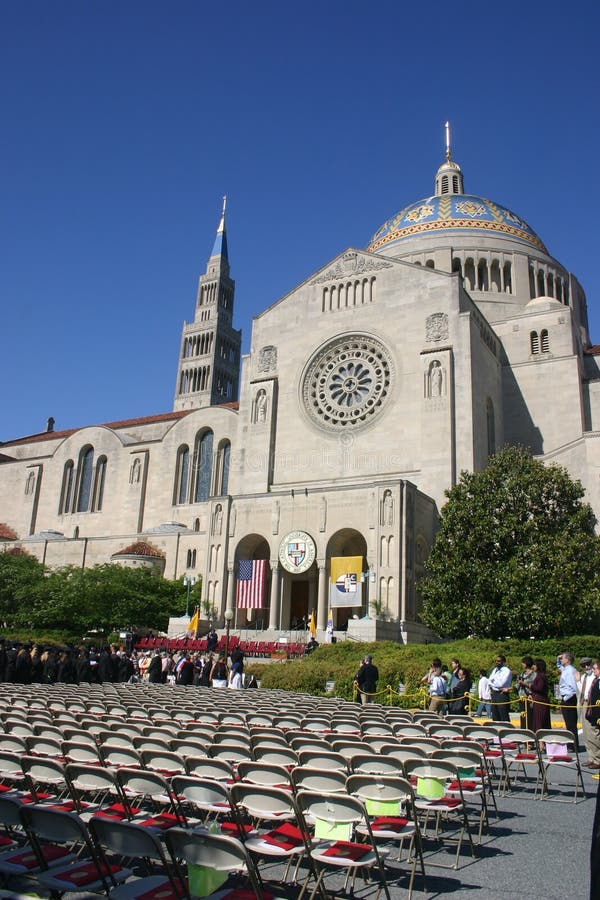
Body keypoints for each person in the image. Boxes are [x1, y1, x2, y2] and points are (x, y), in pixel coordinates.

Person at [558, 651, 580, 752]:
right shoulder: (565, 669)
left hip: (569, 698)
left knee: (571, 723)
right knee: (568, 723)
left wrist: (566, 698)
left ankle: (573, 745)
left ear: (567, 660)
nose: (561, 659)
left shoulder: (570, 670)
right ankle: (571, 744)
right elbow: (559, 665)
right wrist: (559, 658)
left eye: (562, 658)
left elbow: (573, 687)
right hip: (565, 698)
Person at [583, 659, 600, 770]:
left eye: (595, 668)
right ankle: (592, 757)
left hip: (596, 712)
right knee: (588, 735)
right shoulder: (595, 680)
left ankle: (598, 759)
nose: (593, 670)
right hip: (590, 709)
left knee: (595, 735)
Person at [529, 658, 551, 731]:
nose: (533, 666)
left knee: (540, 721)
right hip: (538, 700)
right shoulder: (540, 675)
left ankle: (541, 741)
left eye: (534, 665)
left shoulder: (541, 676)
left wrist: (530, 685)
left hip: (540, 701)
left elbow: (539, 688)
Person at [489, 654, 512, 722]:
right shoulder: (495, 670)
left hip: (502, 694)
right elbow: (489, 681)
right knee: (495, 715)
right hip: (494, 693)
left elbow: (500, 684)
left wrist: (493, 682)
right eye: (496, 661)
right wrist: (493, 682)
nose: (497, 662)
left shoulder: (506, 671)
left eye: (499, 661)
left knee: (503, 715)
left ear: (503, 662)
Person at [516, 655, 535, 728]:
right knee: (523, 716)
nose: (522, 664)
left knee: (529, 717)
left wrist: (524, 684)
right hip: (521, 697)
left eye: (523, 663)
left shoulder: (534, 674)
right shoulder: (521, 674)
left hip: (529, 698)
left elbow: (534, 686)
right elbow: (517, 685)